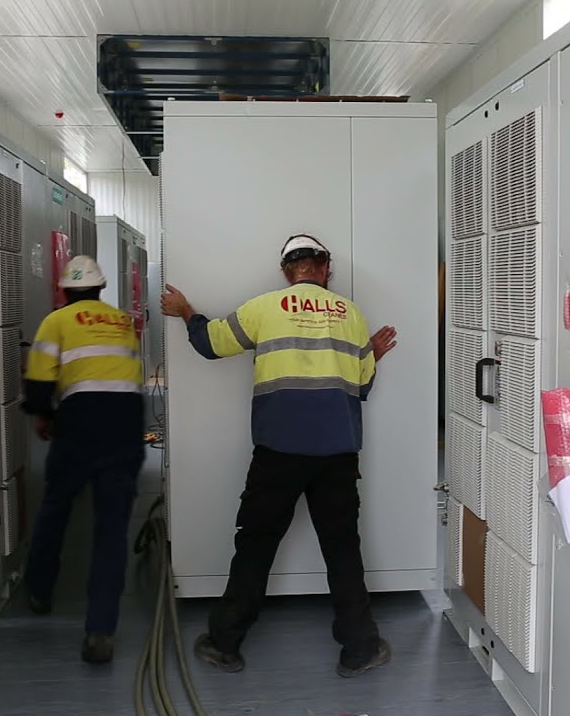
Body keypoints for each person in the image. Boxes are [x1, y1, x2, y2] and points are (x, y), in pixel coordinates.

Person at [160, 234, 399, 679]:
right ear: (324, 269)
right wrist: (372, 355)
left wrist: (186, 311)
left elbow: (210, 343)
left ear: (287, 271)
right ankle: (359, 649)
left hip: (279, 452)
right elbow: (360, 385)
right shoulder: (351, 315)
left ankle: (225, 643)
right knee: (342, 548)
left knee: (255, 545)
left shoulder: (266, 307)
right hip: (337, 453)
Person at [22, 255, 145, 664]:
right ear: (100, 289)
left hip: (79, 426)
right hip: (125, 427)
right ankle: (100, 631)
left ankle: (39, 589)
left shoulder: (55, 321)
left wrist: (45, 417)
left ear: (64, 291)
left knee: (56, 506)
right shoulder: (122, 322)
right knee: (112, 531)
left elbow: (39, 386)